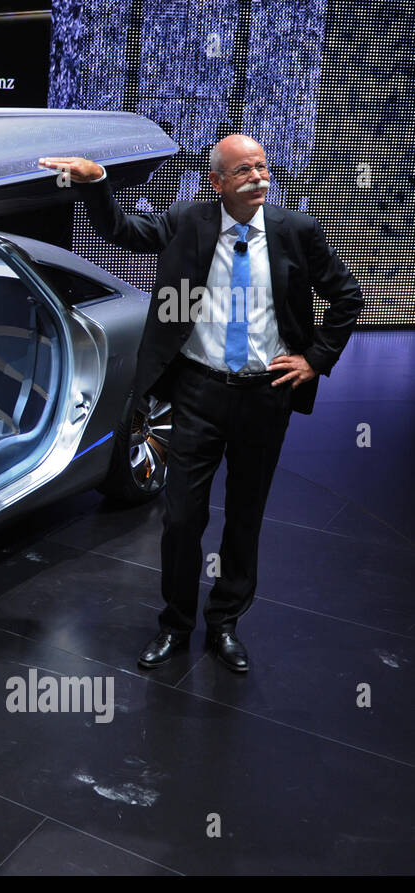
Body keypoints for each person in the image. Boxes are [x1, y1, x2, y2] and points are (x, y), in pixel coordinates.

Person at [36, 136, 363, 672]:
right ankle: (175, 625)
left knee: (244, 516)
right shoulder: (188, 220)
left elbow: (347, 294)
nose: (257, 177)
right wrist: (96, 183)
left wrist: (314, 360)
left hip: (266, 395)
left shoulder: (297, 232)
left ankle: (226, 624)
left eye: (261, 167)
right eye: (242, 171)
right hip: (198, 393)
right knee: (182, 518)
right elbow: (121, 231)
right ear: (217, 183)